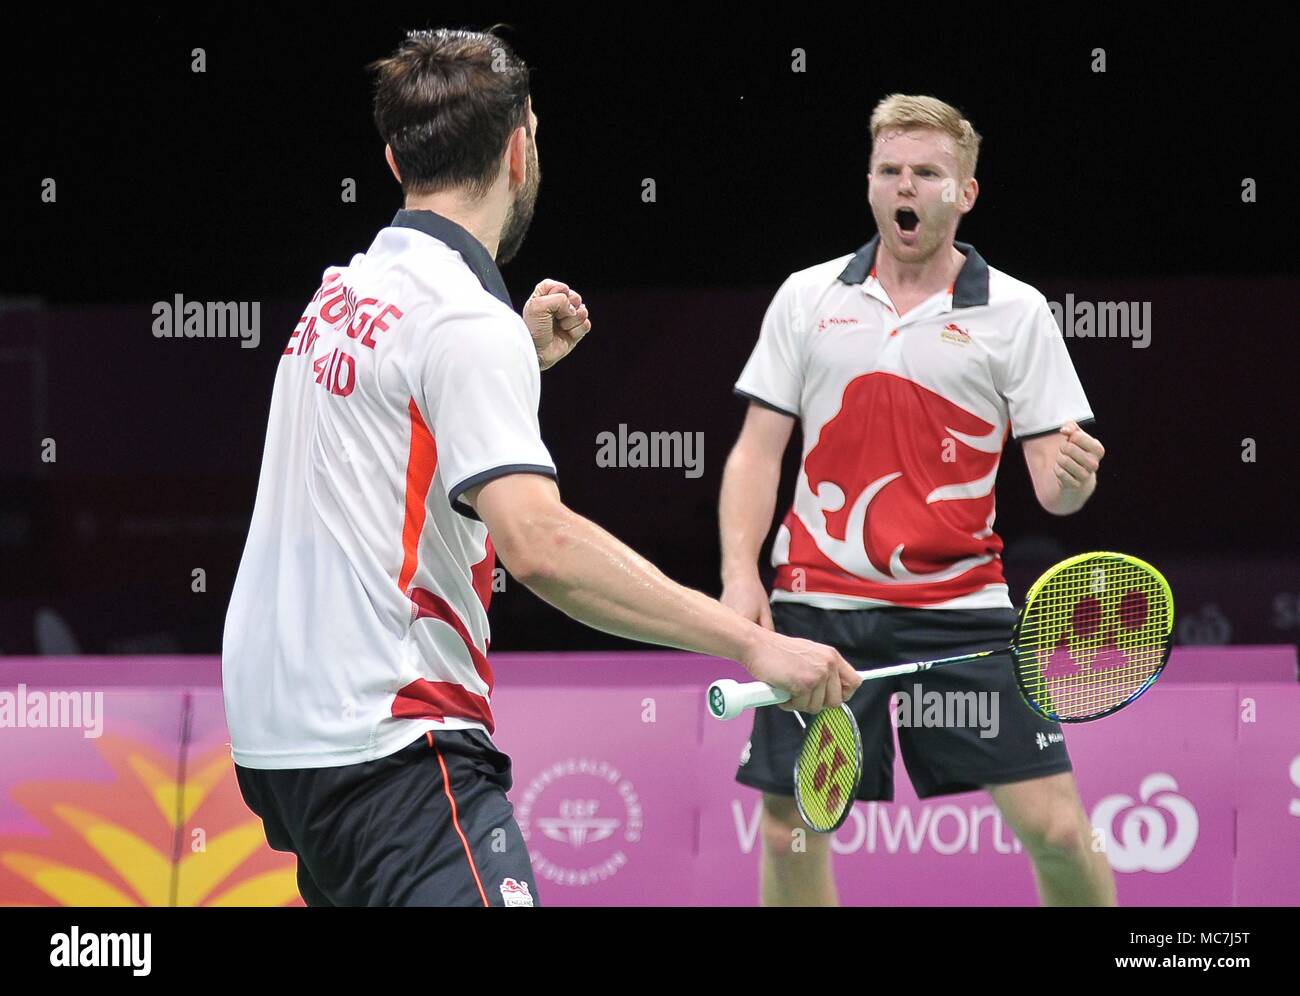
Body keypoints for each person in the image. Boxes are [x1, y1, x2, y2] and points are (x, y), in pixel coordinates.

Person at [221, 27, 858, 908]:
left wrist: (516, 351)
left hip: (285, 745)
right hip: (395, 740)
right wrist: (755, 641)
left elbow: (385, 428)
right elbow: (541, 547)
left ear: (395, 159)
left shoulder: (345, 290)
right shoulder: (461, 322)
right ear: (520, 148)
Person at [719, 94, 1113, 906]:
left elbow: (1054, 484)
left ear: (963, 193)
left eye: (929, 173)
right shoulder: (807, 296)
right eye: (892, 170)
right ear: (871, 184)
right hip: (817, 606)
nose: (908, 185)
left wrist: (1074, 484)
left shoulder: (1017, 312)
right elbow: (758, 452)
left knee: (1062, 832)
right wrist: (739, 575)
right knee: (792, 829)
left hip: (961, 610)